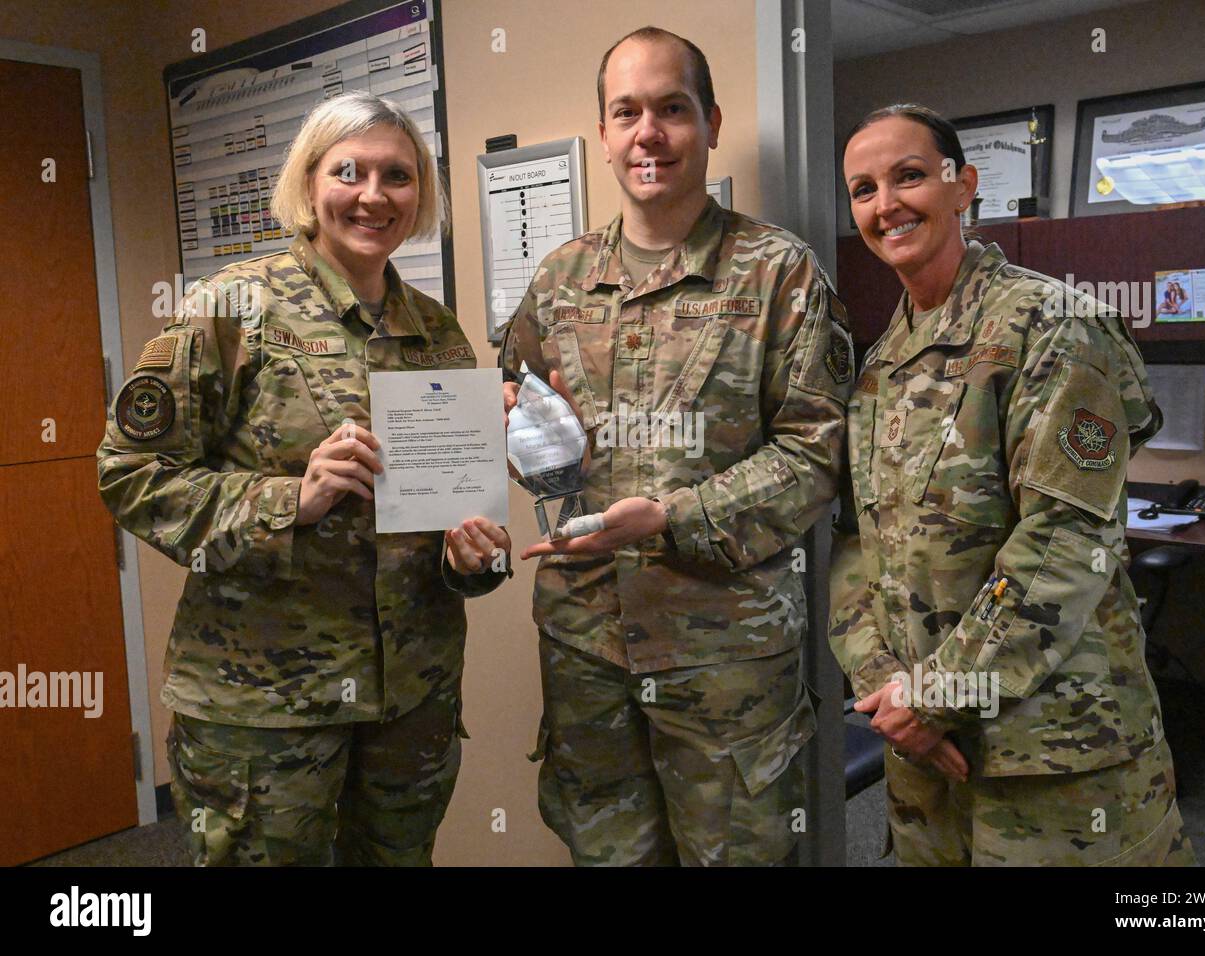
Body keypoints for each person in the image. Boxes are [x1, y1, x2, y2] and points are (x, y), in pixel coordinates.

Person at [97, 91, 510, 866]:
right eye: (348, 171)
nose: (374, 195)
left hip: (408, 698)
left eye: (399, 174)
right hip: (266, 707)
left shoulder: (438, 334)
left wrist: (471, 560)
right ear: (308, 181)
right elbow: (130, 473)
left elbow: (449, 526)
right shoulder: (229, 309)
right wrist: (292, 499)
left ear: (421, 192)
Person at [500, 26, 853, 866]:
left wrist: (672, 517)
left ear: (712, 123)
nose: (648, 133)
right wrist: (515, 424)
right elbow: (525, 415)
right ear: (604, 134)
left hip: (724, 658)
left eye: (672, 109)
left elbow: (817, 455)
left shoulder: (779, 273)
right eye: (627, 112)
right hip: (587, 645)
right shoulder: (558, 280)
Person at [831, 103, 1195, 866]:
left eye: (908, 177)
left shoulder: (1052, 326)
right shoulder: (880, 363)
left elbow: (1064, 547)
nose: (886, 204)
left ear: (963, 188)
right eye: (864, 189)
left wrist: (934, 699)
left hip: (1054, 754)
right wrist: (887, 689)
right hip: (924, 755)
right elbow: (850, 543)